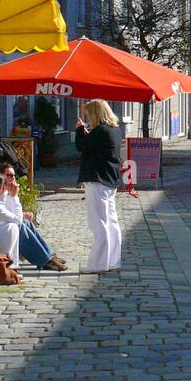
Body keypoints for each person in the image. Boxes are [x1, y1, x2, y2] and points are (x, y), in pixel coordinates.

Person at [75, 99, 125, 273]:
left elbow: (81, 146)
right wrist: (88, 133)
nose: (87, 117)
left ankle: (98, 264)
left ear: (95, 113)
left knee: (99, 223)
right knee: (111, 222)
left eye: (89, 114)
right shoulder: (115, 130)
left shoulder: (100, 131)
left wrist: (80, 130)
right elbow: (95, 147)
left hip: (97, 180)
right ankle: (113, 262)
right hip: (110, 180)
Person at [0, 164, 67, 271]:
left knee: (26, 222)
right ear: (2, 176)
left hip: (5, 226)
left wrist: (22, 212)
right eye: (9, 175)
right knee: (20, 226)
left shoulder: (7, 192)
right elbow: (13, 218)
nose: (12, 178)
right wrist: (15, 197)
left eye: (13, 176)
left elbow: (12, 214)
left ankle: (49, 255)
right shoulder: (0, 193)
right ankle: (44, 260)